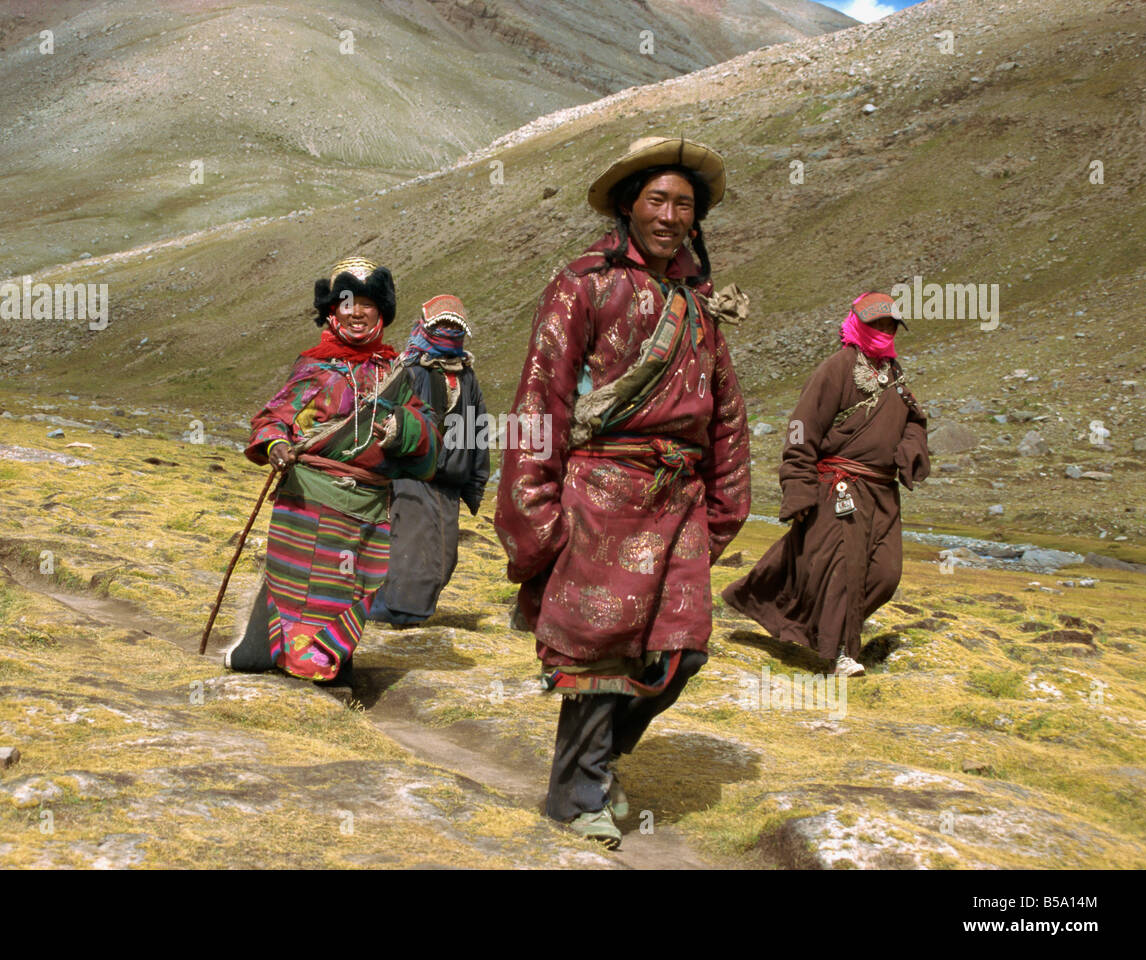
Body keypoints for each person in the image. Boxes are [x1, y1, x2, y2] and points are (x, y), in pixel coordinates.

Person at [493, 136, 751, 848]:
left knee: (682, 651)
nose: (670, 215)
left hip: (679, 501)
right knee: (599, 656)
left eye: (684, 204)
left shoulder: (698, 306)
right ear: (629, 206)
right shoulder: (583, 284)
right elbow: (540, 396)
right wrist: (533, 512)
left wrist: (727, 506)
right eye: (658, 199)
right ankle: (576, 800)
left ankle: (598, 766)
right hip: (598, 493)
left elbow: (725, 411)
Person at [223, 256, 439, 684]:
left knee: (351, 587)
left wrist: (402, 429)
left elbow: (430, 434)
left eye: (367, 304)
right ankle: (290, 657)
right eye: (346, 303)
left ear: (382, 313)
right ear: (330, 311)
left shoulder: (397, 375)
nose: (356, 313)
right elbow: (271, 418)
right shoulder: (314, 368)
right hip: (309, 498)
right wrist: (278, 444)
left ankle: (332, 659)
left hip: (369, 506)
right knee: (300, 586)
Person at [721, 292, 930, 677]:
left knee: (885, 574)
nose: (884, 332)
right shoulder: (836, 369)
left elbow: (915, 419)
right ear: (858, 325)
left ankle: (820, 627)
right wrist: (799, 487)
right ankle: (838, 654)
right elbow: (801, 428)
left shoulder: (893, 374)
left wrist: (910, 447)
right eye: (877, 325)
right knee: (842, 570)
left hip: (883, 493)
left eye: (890, 326)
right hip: (839, 488)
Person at [369, 295, 490, 627]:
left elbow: (478, 428)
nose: (448, 330)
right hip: (411, 477)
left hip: (450, 482)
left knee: (444, 556)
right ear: (426, 327)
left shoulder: (467, 377)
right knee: (411, 551)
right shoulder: (407, 370)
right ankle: (393, 611)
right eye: (441, 325)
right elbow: (381, 416)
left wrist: (476, 480)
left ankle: (404, 610)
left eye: (455, 325)